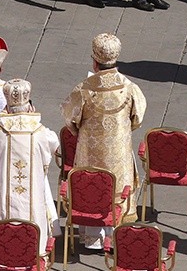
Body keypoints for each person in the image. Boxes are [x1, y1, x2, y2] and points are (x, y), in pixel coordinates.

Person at [61, 34, 147, 249]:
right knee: (118, 189)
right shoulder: (129, 88)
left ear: (94, 62)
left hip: (90, 150)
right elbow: (138, 118)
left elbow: (70, 120)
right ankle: (116, 238)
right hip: (118, 150)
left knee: (91, 188)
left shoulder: (84, 89)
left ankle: (93, 239)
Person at [0, 79, 60, 265]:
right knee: (33, 231)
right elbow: (55, 144)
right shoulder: (40, 132)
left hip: (3, 197)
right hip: (33, 200)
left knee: (2, 235)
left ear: (6, 106)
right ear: (29, 105)